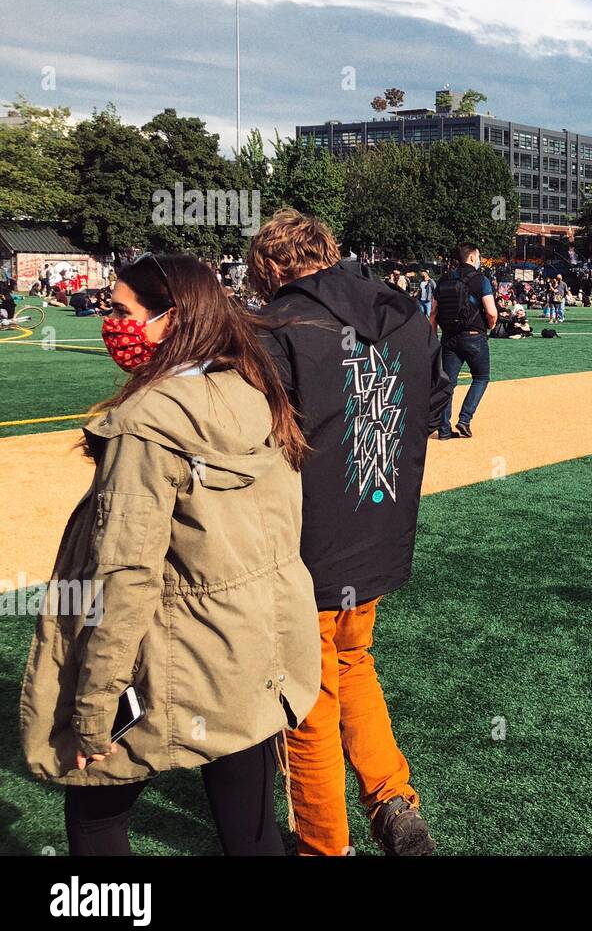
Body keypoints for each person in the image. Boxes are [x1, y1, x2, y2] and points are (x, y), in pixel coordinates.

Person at [21, 253, 320, 855]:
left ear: (169, 319)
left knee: (95, 810)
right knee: (252, 830)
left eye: (121, 309)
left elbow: (125, 575)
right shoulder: (249, 390)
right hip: (248, 652)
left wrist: (94, 702)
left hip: (176, 654)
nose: (111, 321)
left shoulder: (146, 422)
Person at [248, 211, 451, 857]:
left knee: (307, 700)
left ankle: (324, 845)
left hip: (305, 544)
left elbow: (250, 438)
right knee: (352, 661)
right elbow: (436, 404)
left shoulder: (277, 325)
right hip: (379, 528)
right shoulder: (403, 309)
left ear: (275, 266)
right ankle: (393, 799)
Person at [432, 243, 498, 440]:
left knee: (448, 384)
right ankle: (465, 419)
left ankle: (444, 430)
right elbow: (491, 312)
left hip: (449, 338)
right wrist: (490, 327)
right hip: (474, 336)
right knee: (481, 377)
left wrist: (433, 336)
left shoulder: (444, 279)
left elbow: (433, 313)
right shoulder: (481, 280)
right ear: (472, 258)